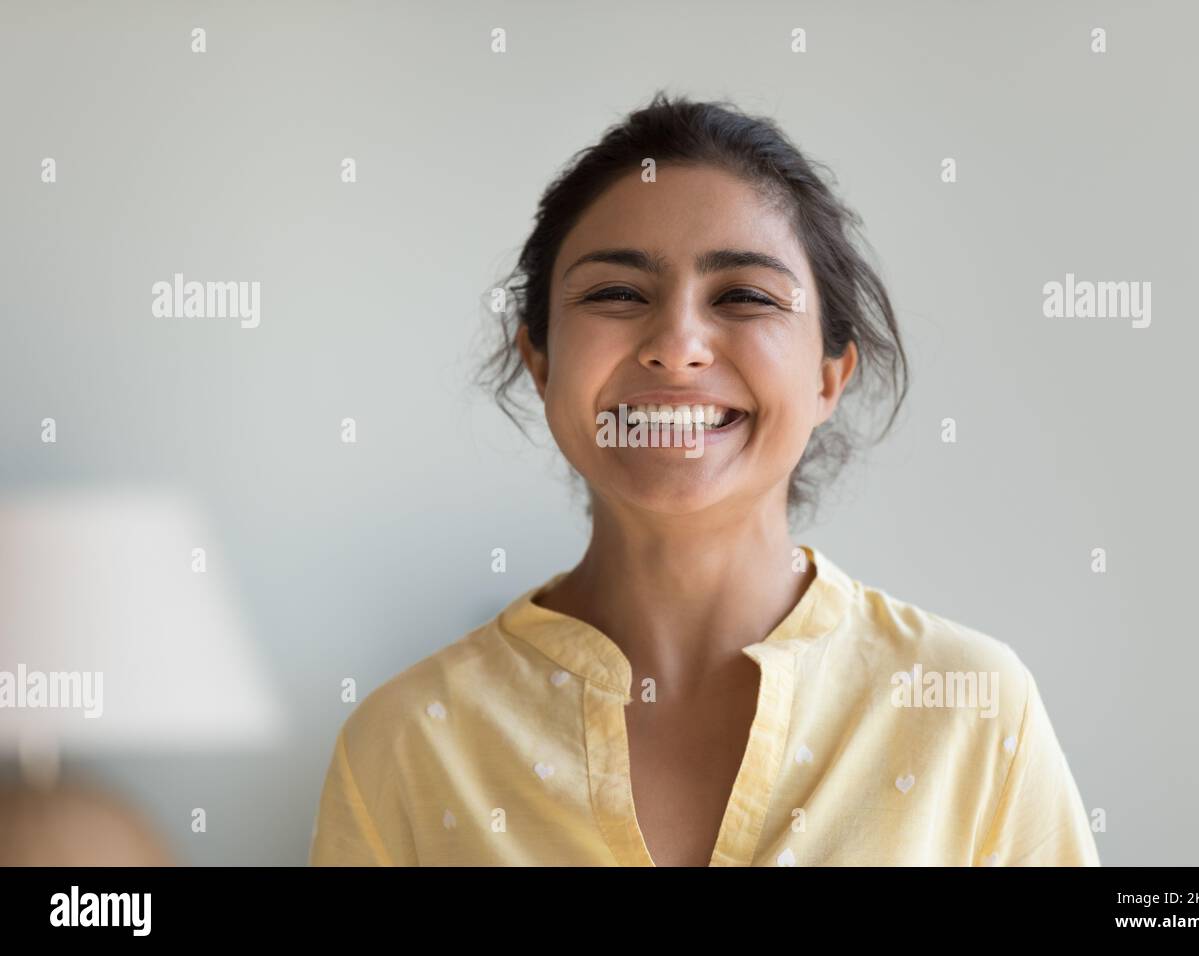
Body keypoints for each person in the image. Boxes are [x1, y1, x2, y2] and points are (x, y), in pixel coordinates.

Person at [309, 91, 1100, 867]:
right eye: (618, 293)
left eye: (745, 297)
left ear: (830, 378)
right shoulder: (405, 744)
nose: (677, 345)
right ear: (541, 363)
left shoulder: (972, 707)